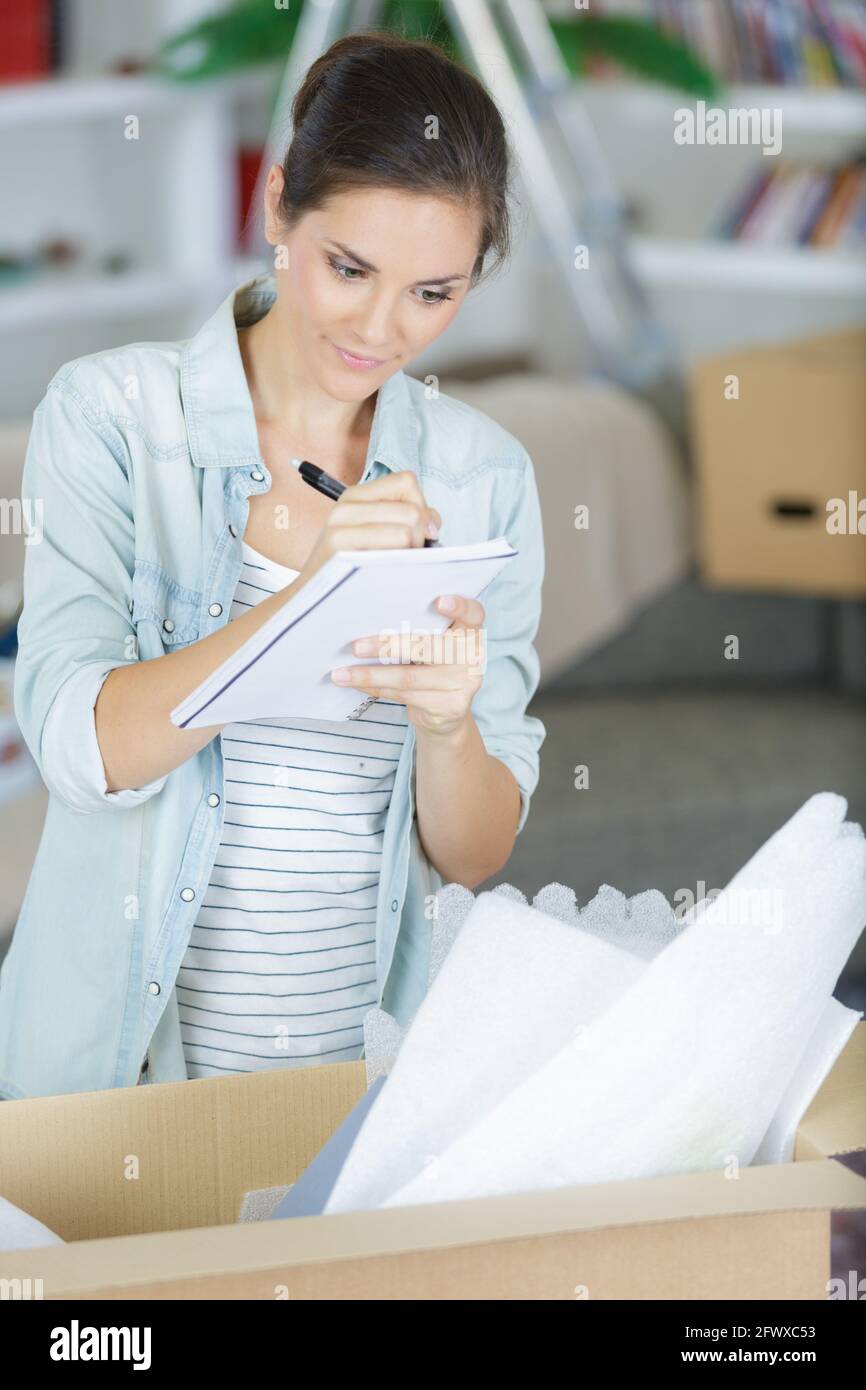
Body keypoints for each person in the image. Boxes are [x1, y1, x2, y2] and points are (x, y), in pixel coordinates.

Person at [0, 30, 545, 1099]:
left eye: (432, 293)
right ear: (276, 205)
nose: (380, 329)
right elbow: (79, 747)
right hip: (118, 1092)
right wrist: (308, 606)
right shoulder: (110, 414)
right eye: (349, 268)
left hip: (358, 1092)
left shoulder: (486, 477)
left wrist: (446, 726)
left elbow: (476, 854)